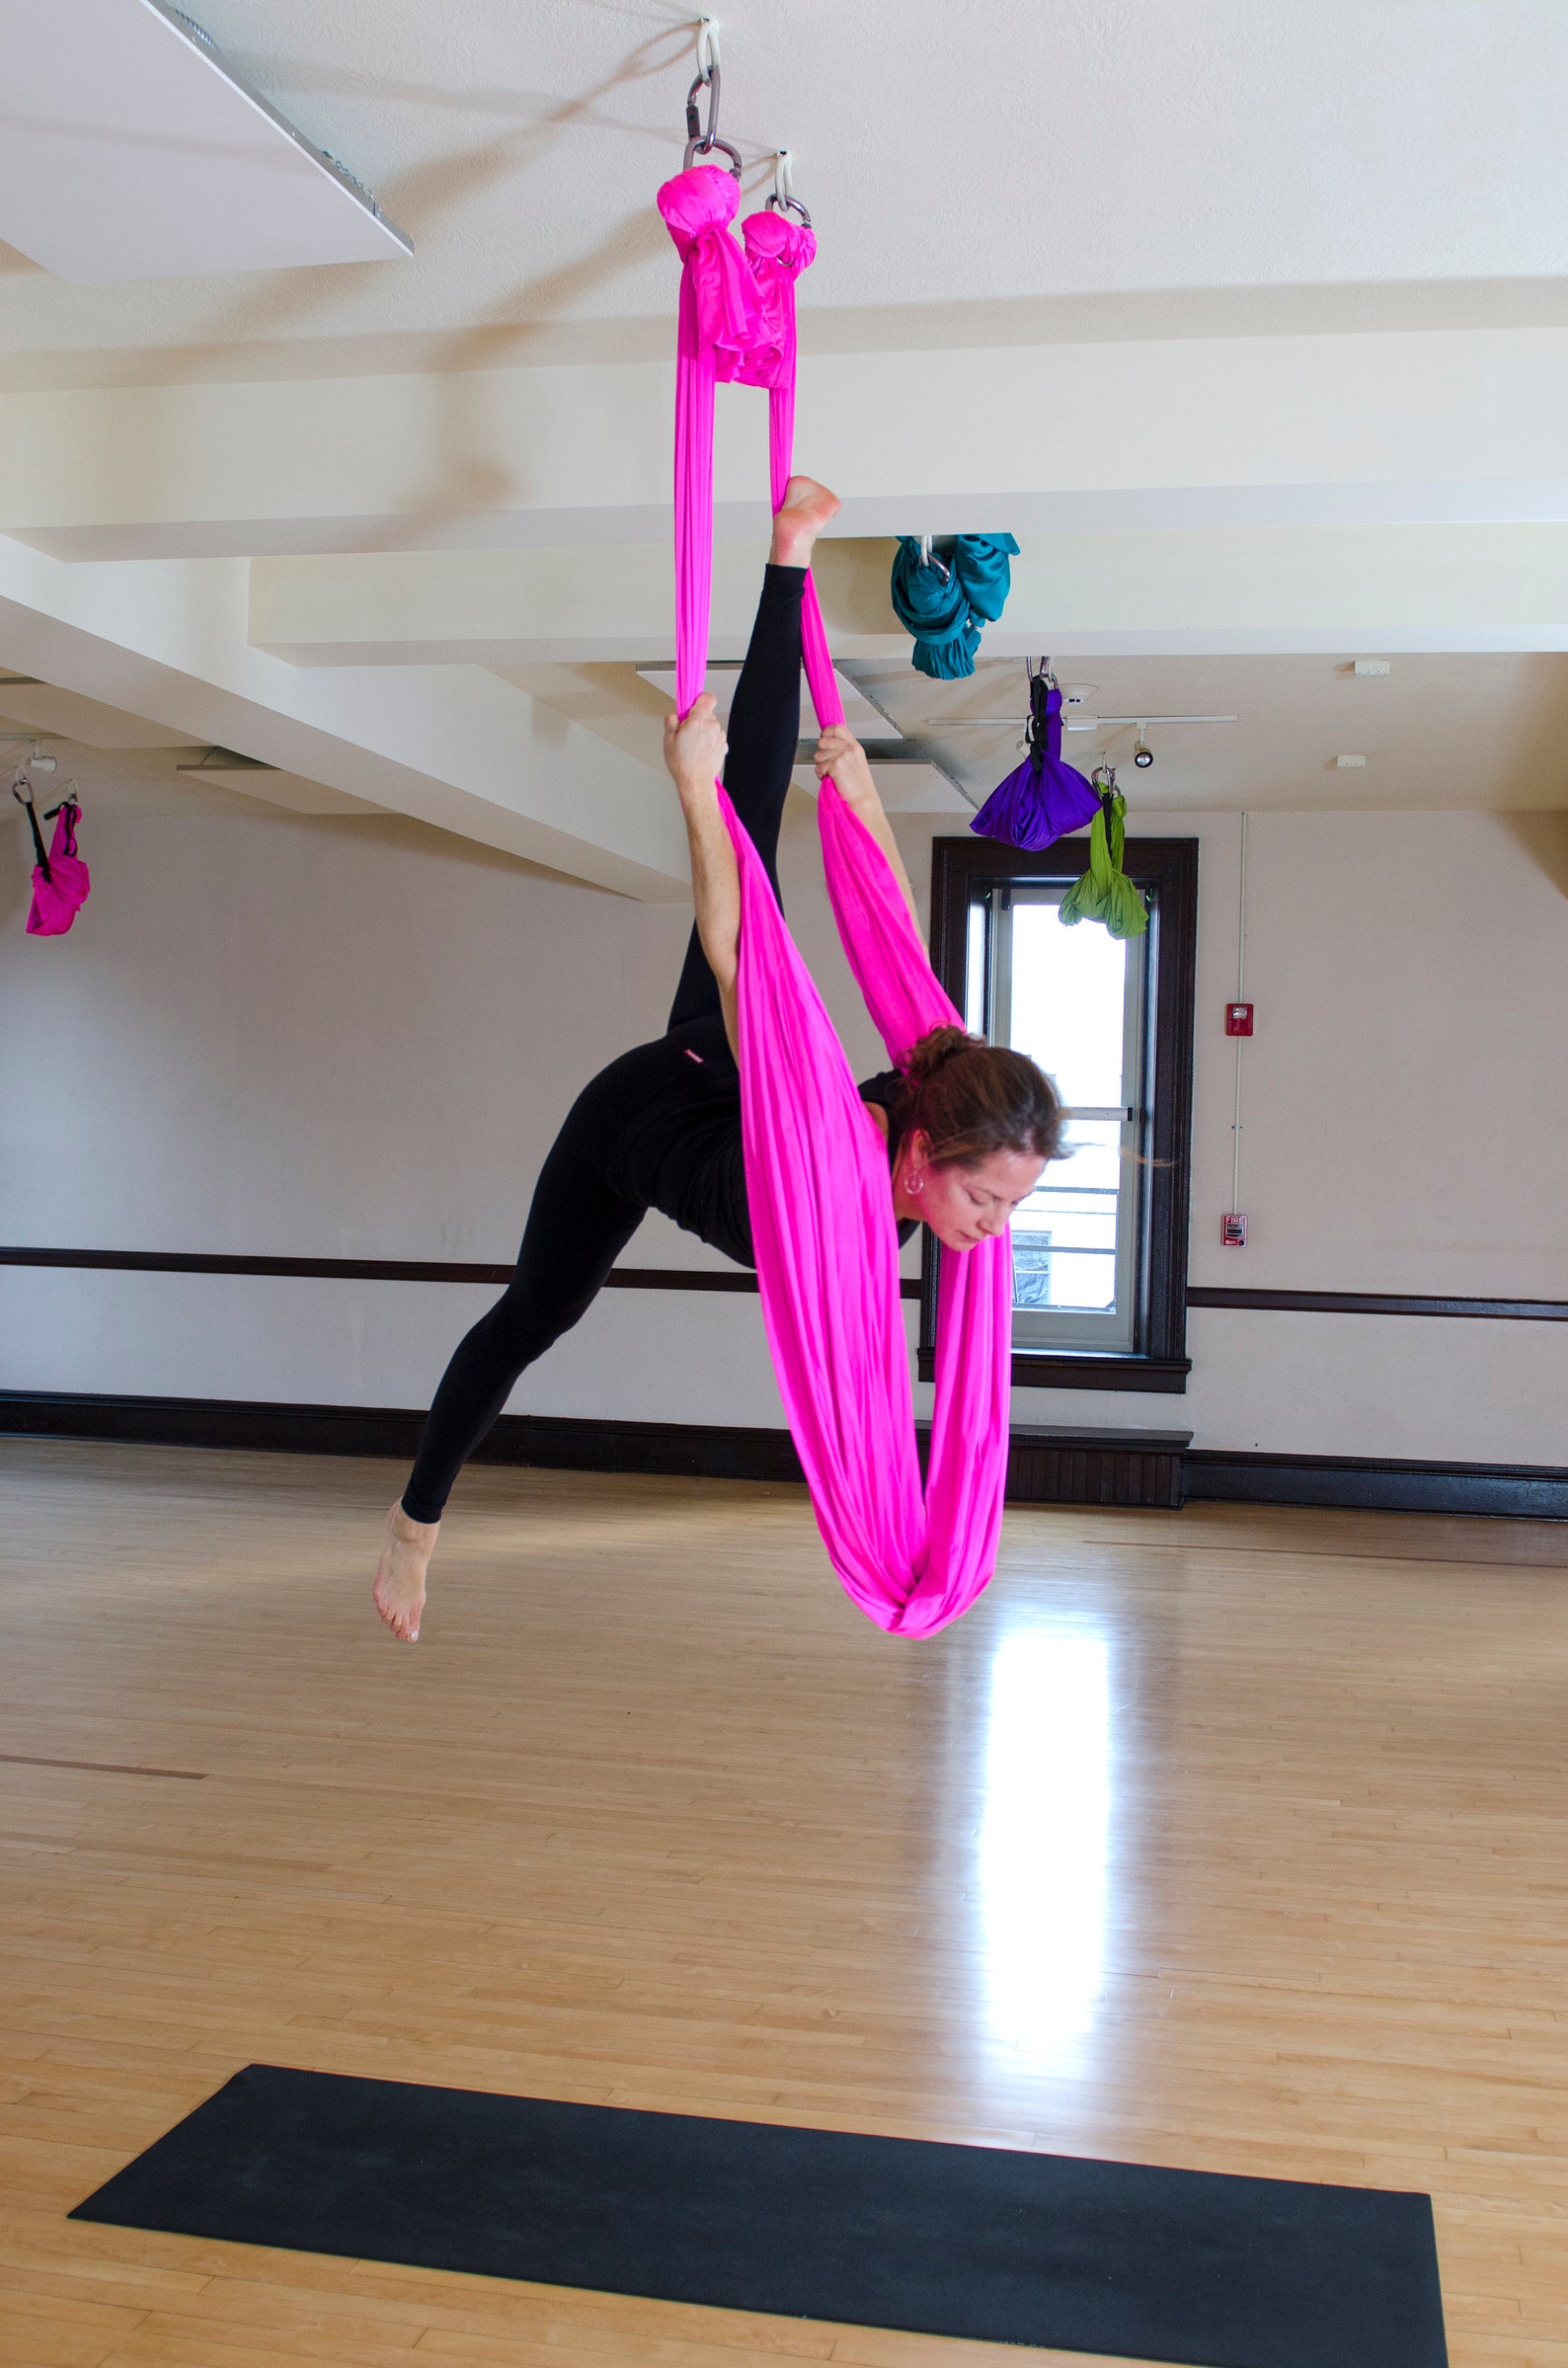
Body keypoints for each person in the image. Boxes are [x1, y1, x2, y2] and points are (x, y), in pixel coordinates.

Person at [373, 479, 1064, 1641]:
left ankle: (787, 553)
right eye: (988, 1198)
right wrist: (688, 792)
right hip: (640, 1121)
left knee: (767, 834)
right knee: (535, 1316)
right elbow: (739, 951)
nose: (993, 1228)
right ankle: (413, 1524)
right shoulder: (837, 1147)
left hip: (729, 1093)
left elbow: (894, 933)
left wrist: (860, 805)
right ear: (923, 1152)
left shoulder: (937, 1080)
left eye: (1008, 1208)